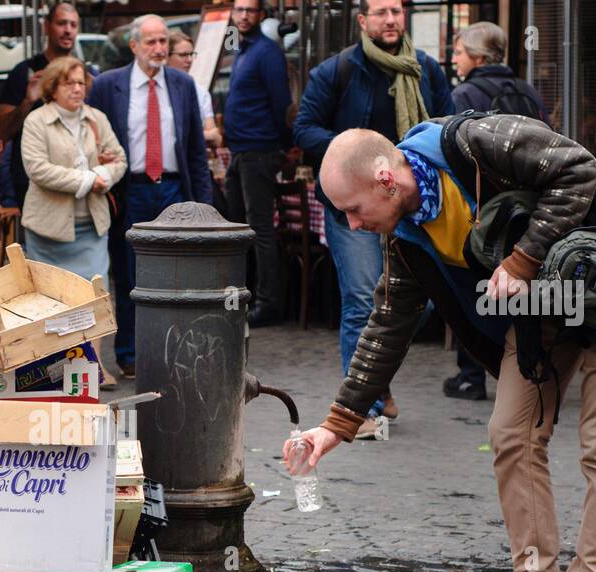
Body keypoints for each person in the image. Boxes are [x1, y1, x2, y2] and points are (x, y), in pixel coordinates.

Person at [288, 116, 596, 572]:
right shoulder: (405, 235)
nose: (354, 226)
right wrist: (336, 426)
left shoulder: (474, 146)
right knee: (510, 434)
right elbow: (388, 323)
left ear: (386, 178)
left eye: (354, 210)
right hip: (541, 317)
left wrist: (523, 258)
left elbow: (578, 169)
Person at [293, 0, 453, 437]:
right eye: (381, 12)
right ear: (363, 21)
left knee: (428, 296)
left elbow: (450, 123)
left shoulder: (424, 68)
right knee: (364, 300)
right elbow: (304, 128)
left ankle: (375, 378)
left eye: (397, 12)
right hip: (357, 210)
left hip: (413, 201)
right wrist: (358, 152)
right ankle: (363, 408)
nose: (391, 20)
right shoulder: (337, 70)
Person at [88, 15, 212, 378]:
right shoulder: (109, 86)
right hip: (132, 189)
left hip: (174, 187)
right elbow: (93, 140)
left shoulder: (183, 84)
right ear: (134, 46)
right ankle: (129, 352)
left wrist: (204, 204)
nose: (159, 49)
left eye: (163, 42)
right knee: (129, 272)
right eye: (151, 42)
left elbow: (196, 150)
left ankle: (176, 347)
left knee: (178, 271)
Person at [444, 21, 547, 402]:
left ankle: (473, 375)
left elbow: (456, 154)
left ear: (479, 57)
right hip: (531, 207)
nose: (454, 58)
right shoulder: (528, 92)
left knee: (474, 286)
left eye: (458, 52)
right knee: (521, 285)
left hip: (486, 209)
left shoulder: (465, 93)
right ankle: (528, 365)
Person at [20, 57, 125, 293]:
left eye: (81, 82)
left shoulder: (97, 118)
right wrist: (88, 180)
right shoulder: (36, 121)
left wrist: (104, 176)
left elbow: (120, 159)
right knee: (53, 301)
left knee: (94, 298)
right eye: (68, 83)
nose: (77, 89)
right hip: (49, 230)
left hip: (92, 228)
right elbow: (38, 169)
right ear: (52, 88)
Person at [222, 0, 292, 328]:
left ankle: (269, 302)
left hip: (260, 151)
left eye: (250, 10)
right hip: (239, 152)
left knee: (259, 229)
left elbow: (282, 104)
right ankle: (240, 296)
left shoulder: (267, 52)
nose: (244, 15)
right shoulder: (242, 50)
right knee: (235, 229)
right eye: (239, 10)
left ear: (261, 15)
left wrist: (282, 145)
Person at [0, 3, 93, 209]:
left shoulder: (86, 76)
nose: (68, 30)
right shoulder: (24, 72)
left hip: (79, 178)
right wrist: (28, 101)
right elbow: (3, 131)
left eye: (73, 25)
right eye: (61, 23)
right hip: (32, 180)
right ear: (46, 26)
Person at [168, 29, 221, 149]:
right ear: (166, 56)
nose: (189, 60)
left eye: (191, 54)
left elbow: (215, 137)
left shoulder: (200, 91)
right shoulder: (157, 89)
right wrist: (203, 135)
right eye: (183, 55)